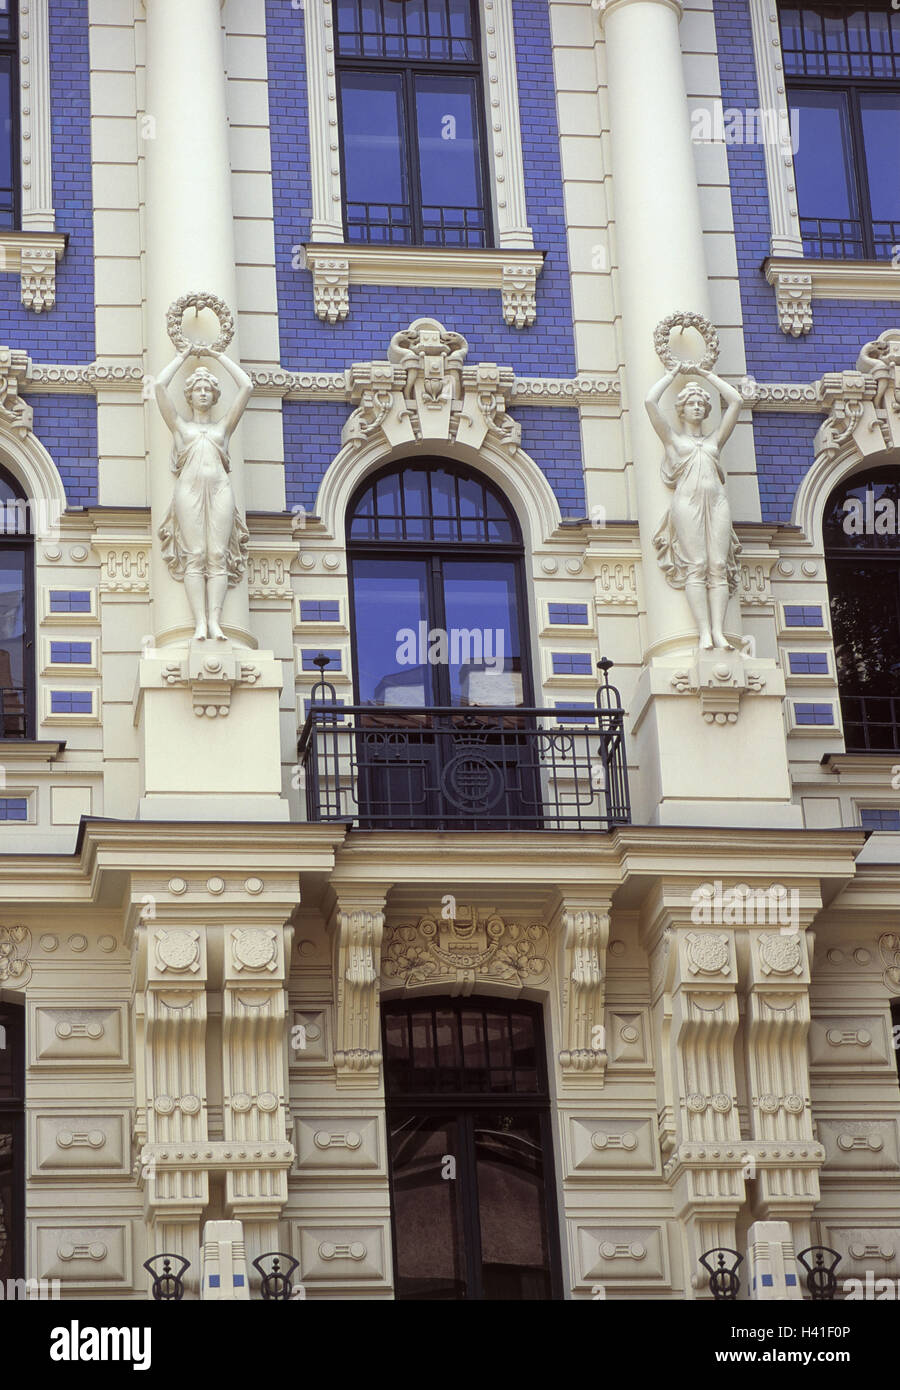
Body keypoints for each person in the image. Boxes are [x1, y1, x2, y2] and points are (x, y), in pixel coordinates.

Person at [156, 345, 251, 641]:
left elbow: (247, 385)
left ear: (215, 395)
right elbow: (158, 385)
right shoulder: (180, 428)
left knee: (218, 555)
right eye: (197, 389)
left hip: (220, 489)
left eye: (208, 388)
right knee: (195, 555)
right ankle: (199, 623)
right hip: (189, 491)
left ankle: (215, 622)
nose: (203, 393)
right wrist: (184, 355)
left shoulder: (224, 428)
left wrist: (216, 354)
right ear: (189, 395)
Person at [645, 364, 742, 650]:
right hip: (687, 503)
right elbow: (650, 401)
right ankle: (703, 633)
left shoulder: (714, 441)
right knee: (696, 566)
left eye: (701, 403)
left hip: (717, 502)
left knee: (719, 565)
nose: (698, 407)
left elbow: (736, 400)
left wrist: (705, 374)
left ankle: (719, 632)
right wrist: (673, 374)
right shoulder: (673, 440)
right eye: (691, 403)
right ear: (681, 410)